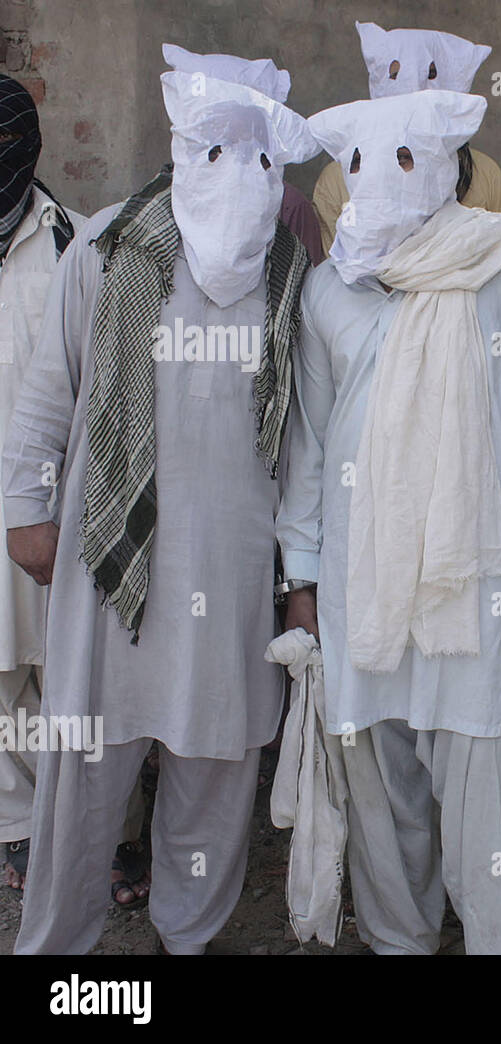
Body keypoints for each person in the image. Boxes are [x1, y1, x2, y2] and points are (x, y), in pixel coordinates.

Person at [4, 65, 318, 953]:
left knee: (216, 780)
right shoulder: (105, 248)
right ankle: (61, 952)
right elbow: (46, 392)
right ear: (184, 146)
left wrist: (303, 578)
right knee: (83, 782)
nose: (236, 172)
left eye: (254, 154)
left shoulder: (289, 277)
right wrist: (28, 508)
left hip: (232, 578)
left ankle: (189, 937)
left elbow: (304, 447)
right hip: (111, 570)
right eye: (214, 147)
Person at [277, 86, 501, 955]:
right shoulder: (328, 290)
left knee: (484, 801)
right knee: (380, 797)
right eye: (367, 166)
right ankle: (398, 940)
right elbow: (308, 440)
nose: (387, 181)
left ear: (447, 170)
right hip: (358, 581)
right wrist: (299, 578)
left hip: (476, 581)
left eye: (409, 161)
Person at [0, 74, 85, 893]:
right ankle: (19, 823)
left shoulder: (77, 244)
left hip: (56, 508)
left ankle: (83, 824)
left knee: (70, 671)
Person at [312, 20, 501, 250]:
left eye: (431, 74)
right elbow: (334, 272)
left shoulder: (484, 173)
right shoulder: (339, 178)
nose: (414, 86)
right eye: (397, 75)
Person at [162, 43, 324, 264]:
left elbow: (311, 288)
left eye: (244, 125)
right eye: (217, 123)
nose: (231, 135)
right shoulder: (155, 210)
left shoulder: (290, 207)